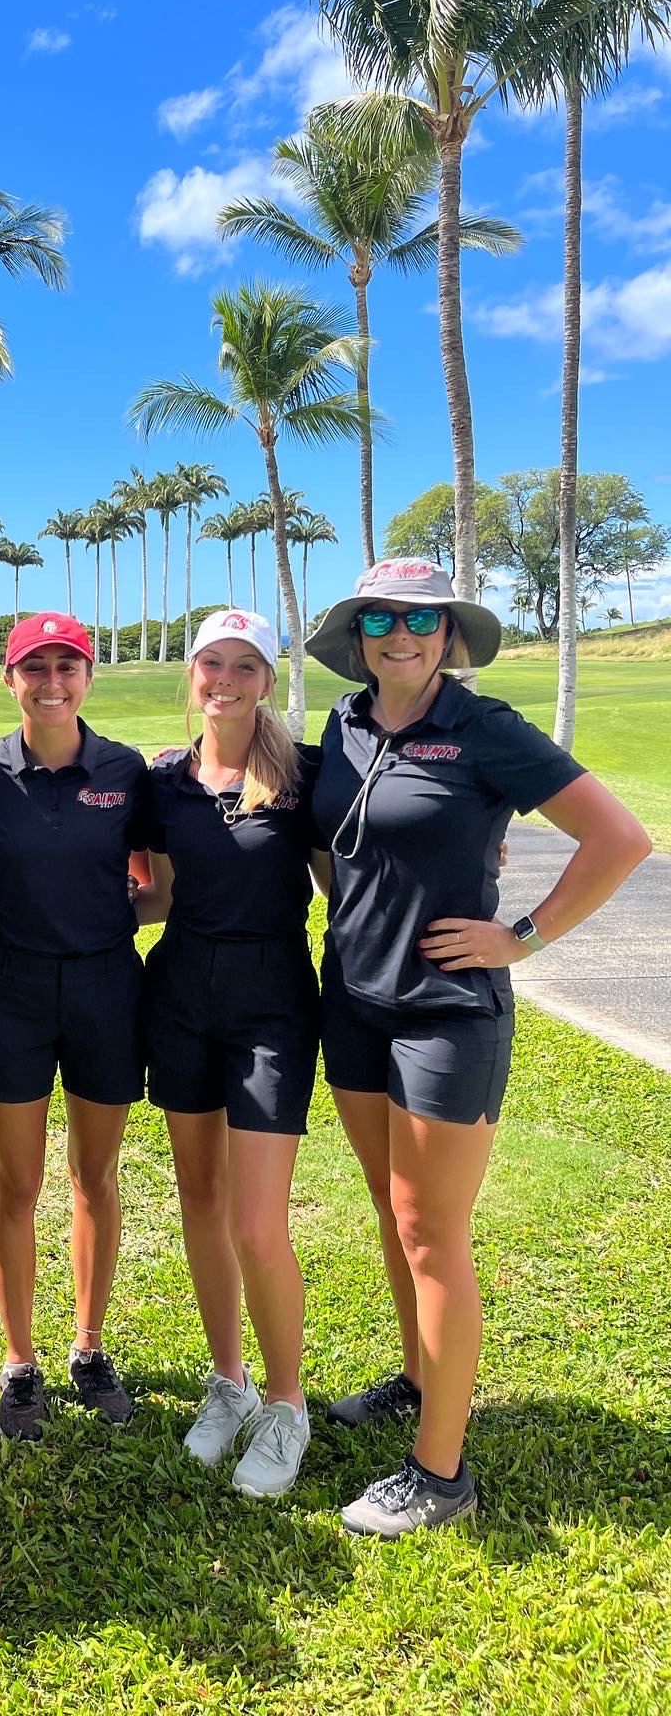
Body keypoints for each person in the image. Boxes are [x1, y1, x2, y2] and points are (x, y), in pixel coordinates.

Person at [307, 557, 650, 1537]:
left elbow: (618, 837)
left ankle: (440, 1476)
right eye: (381, 618)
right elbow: (338, 842)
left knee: (430, 1229)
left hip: (447, 1015)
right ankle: (421, 1378)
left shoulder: (484, 729)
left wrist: (520, 937)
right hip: (356, 1002)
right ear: (361, 635)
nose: (400, 635)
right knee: (391, 1207)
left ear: (449, 636)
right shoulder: (344, 725)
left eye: (422, 619)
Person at [0, 613, 149, 1441]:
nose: (52, 683)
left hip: (107, 988)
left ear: (88, 678)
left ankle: (89, 1346)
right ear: (11, 679)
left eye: (68, 667)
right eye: (36, 668)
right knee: (17, 1184)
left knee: (95, 1176)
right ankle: (20, 1360)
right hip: (13, 991)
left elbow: (160, 884)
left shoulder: (128, 772)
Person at [135, 609, 326, 1498]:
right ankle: (230, 1383)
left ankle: (287, 1405)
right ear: (192, 673)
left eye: (245, 665)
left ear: (268, 678)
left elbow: (355, 876)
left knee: (257, 1223)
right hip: (179, 1000)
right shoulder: (162, 782)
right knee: (202, 1203)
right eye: (212, 662)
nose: (226, 679)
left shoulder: (305, 777)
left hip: (272, 1008)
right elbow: (156, 894)